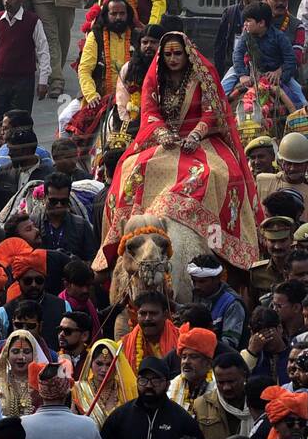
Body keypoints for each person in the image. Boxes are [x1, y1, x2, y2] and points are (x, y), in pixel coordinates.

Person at [101, 32, 261, 274]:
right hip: (163, 141)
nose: (173, 59)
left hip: (203, 141)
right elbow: (149, 110)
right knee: (133, 168)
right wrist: (163, 134)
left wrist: (196, 134)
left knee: (215, 173)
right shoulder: (155, 77)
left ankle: (218, 246)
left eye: (177, 54)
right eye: (168, 54)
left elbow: (212, 111)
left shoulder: (202, 76)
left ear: (187, 54)